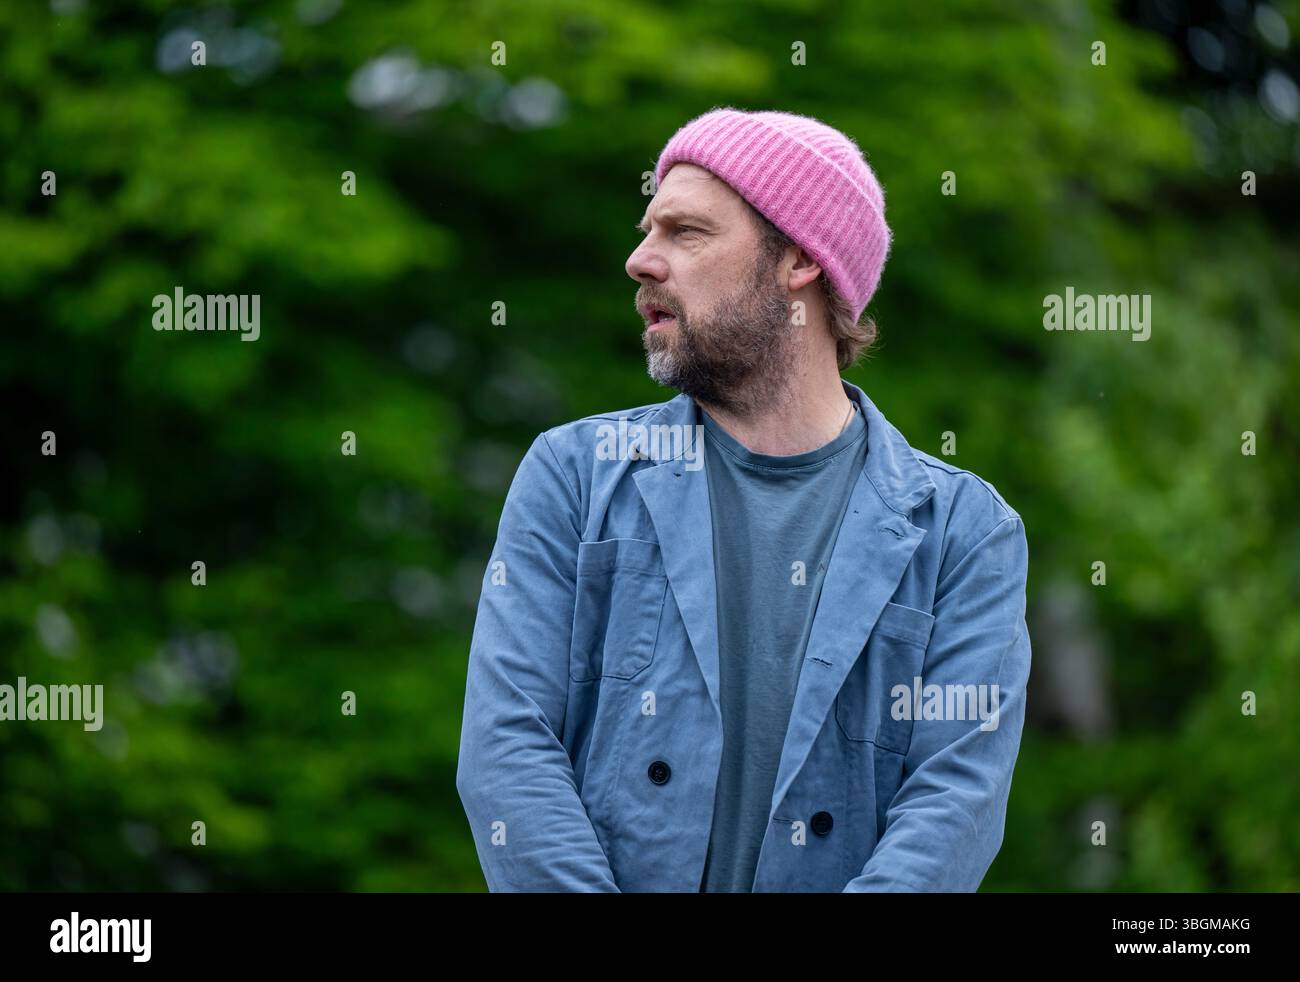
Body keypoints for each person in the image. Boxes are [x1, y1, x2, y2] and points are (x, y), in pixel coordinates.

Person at [456, 106, 1031, 892]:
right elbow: (506, 754)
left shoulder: (966, 533)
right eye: (646, 228)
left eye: (685, 232)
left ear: (799, 259)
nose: (640, 261)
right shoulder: (574, 475)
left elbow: (954, 810)